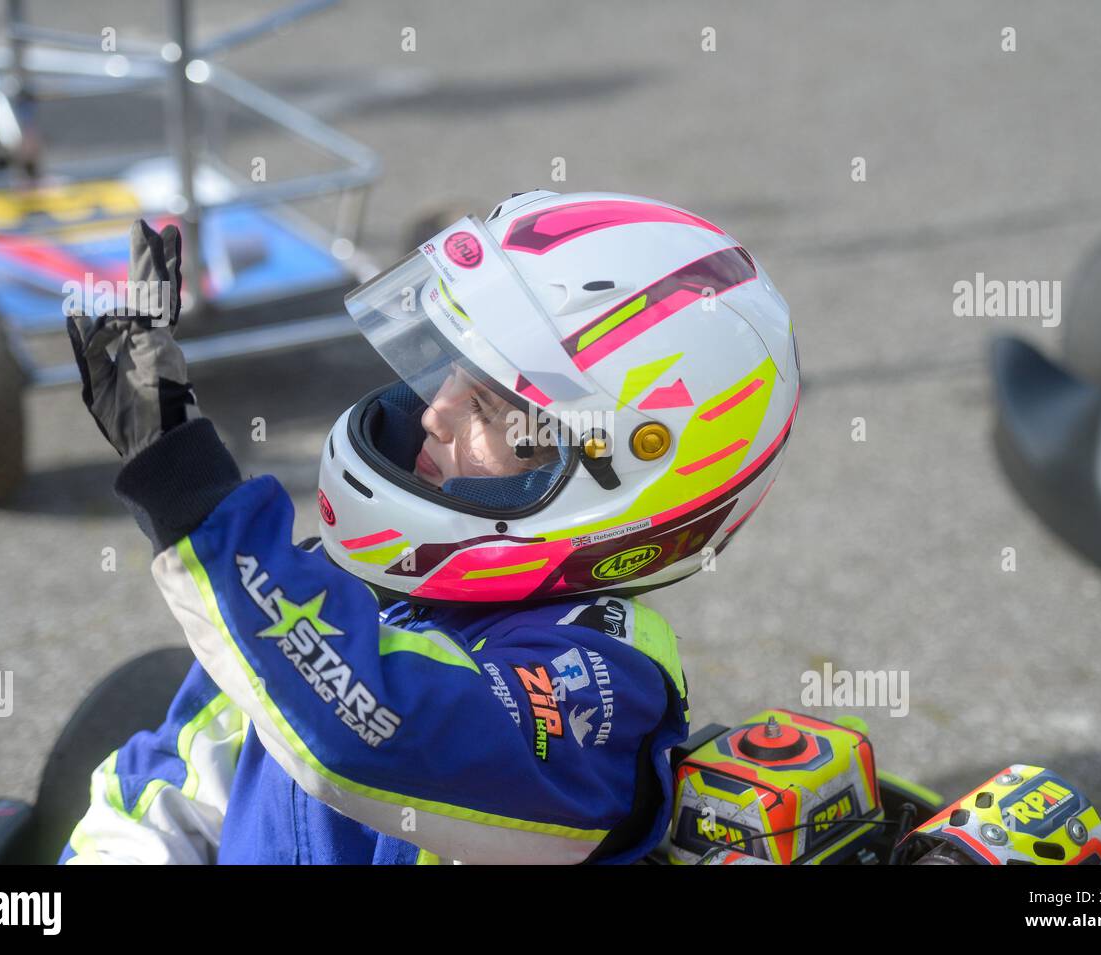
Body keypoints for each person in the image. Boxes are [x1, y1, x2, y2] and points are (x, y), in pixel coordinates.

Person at [58, 190, 800, 864]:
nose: (437, 411)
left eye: (491, 411)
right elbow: (169, 783)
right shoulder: (347, 589)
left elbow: (374, 728)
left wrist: (183, 479)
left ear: (616, 487)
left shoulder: (604, 679)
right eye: (453, 372)